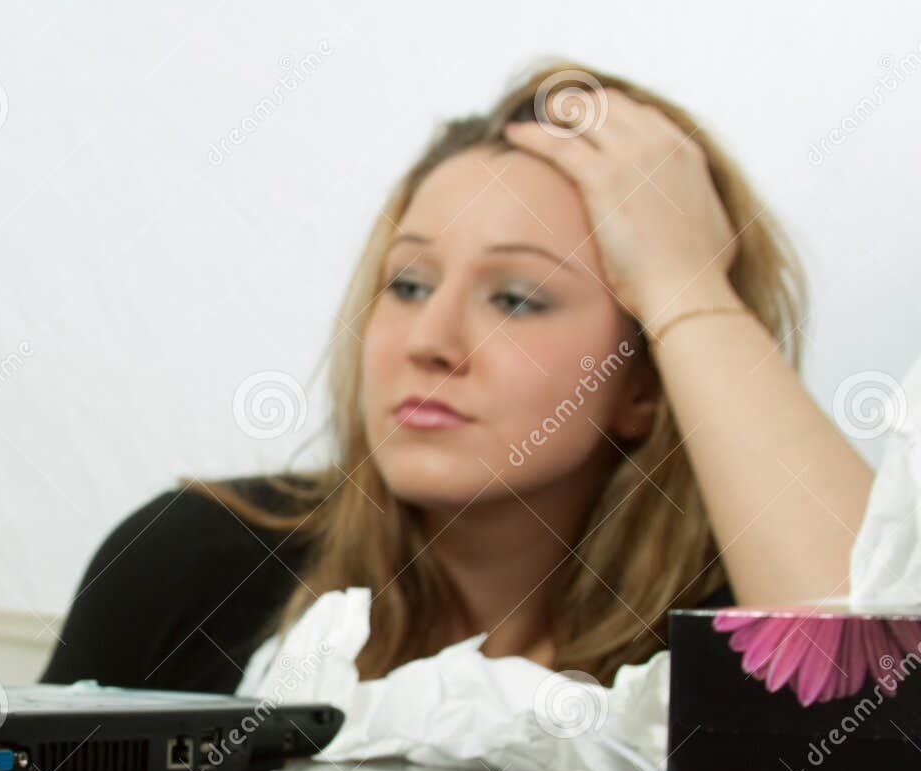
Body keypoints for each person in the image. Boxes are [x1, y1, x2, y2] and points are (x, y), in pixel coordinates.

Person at [43, 60, 873, 694]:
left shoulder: (740, 630)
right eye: (407, 284)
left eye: (517, 297)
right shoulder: (189, 565)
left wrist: (691, 291)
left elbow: (875, 687)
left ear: (647, 383)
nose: (431, 341)